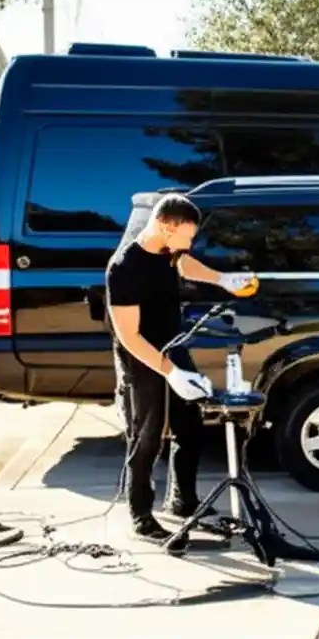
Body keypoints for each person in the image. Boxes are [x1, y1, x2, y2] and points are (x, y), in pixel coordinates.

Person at [105, 193, 258, 542]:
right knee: (147, 437)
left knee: (190, 426)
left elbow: (183, 263)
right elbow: (129, 335)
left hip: (173, 346)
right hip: (140, 357)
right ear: (164, 225)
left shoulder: (168, 249)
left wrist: (221, 279)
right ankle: (141, 515)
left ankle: (183, 501)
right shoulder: (124, 268)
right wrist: (170, 373)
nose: (189, 244)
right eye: (186, 236)